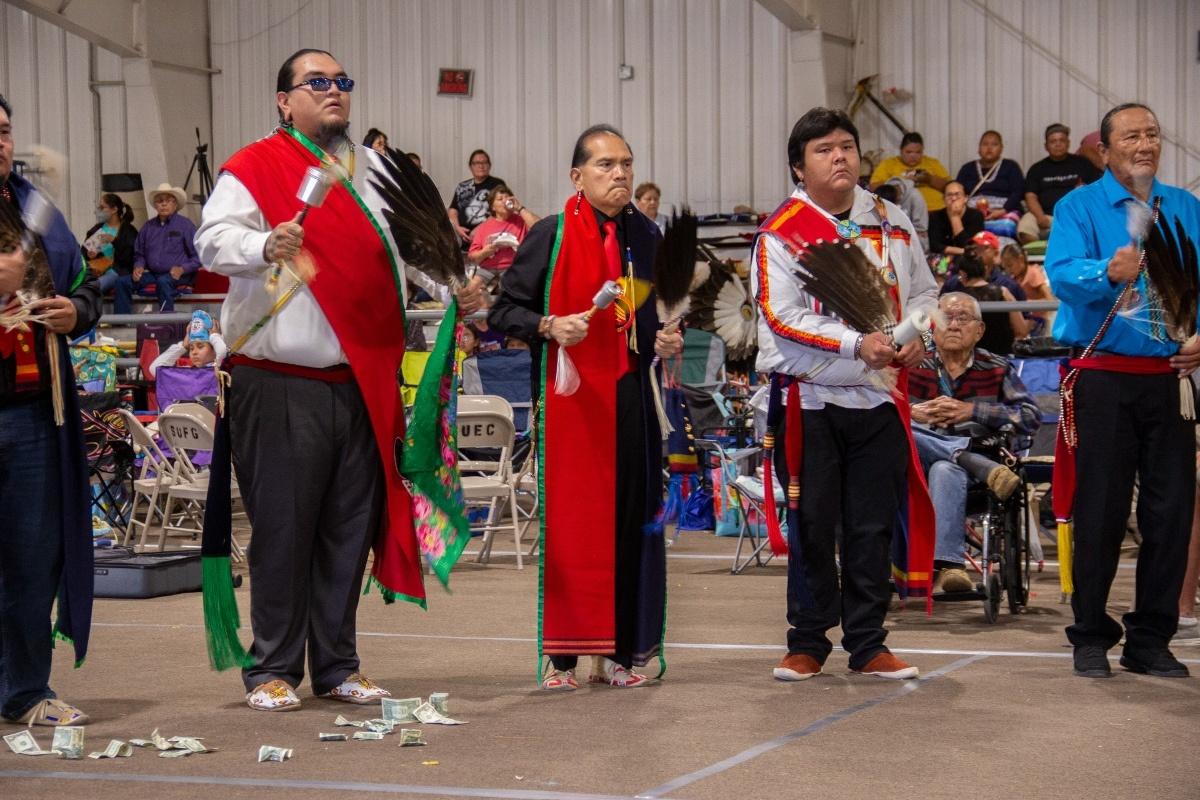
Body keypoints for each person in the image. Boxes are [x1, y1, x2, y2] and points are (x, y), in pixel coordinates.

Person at [195, 48, 483, 711]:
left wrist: (456, 287)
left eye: (341, 81)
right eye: (316, 82)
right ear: (283, 99)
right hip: (278, 377)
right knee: (284, 528)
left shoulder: (372, 169)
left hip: (361, 380)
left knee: (347, 528)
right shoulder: (253, 168)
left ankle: (337, 665)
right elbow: (211, 242)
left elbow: (415, 252)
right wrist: (263, 245)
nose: (334, 92)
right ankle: (271, 667)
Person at [489, 124, 682, 691]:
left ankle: (624, 653)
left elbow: (653, 318)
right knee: (575, 525)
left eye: (626, 163)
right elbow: (504, 313)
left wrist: (665, 339)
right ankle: (565, 659)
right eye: (605, 165)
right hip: (571, 399)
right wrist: (549, 324)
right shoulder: (549, 236)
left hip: (632, 398)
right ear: (577, 176)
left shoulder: (648, 237)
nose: (619, 173)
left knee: (631, 520)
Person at [753, 107, 938, 683]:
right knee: (813, 521)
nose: (841, 157)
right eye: (824, 149)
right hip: (810, 403)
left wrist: (917, 337)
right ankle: (806, 641)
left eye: (848, 146)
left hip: (879, 398)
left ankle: (867, 641)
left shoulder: (892, 221)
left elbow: (927, 292)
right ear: (798, 166)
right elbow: (781, 317)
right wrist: (859, 344)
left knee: (871, 523)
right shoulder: (781, 232)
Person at [1045, 102, 1200, 679]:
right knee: (1102, 509)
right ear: (1104, 152)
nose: (1146, 144)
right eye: (1131, 136)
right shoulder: (1078, 206)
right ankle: (1089, 634)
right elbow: (1059, 274)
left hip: (1171, 381)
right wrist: (1103, 273)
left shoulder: (1185, 208)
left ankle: (1151, 640)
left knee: (1170, 512)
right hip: (1104, 378)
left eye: (1153, 134)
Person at [0, 93, 101, 727]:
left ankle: (26, 691)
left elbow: (84, 283)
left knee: (32, 560)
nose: (0, 142)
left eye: (5, 130)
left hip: (37, 411)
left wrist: (77, 312)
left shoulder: (33, 208)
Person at [908, 292, 1040, 593]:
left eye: (963, 318)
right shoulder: (914, 366)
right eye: (946, 318)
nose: (953, 325)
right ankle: (964, 456)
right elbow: (882, 410)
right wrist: (914, 412)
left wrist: (973, 411)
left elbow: (1030, 416)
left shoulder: (996, 368)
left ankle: (950, 567)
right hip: (914, 466)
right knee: (897, 426)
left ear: (979, 330)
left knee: (945, 469)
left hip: (975, 475)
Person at [117, 183, 201, 312]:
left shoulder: (186, 225)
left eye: (168, 201)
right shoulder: (148, 227)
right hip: (154, 274)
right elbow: (140, 254)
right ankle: (121, 324)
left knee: (163, 281)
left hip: (178, 275)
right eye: (160, 201)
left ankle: (167, 324)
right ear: (155, 205)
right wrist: (138, 266)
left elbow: (198, 257)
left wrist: (182, 269)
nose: (163, 204)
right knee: (122, 282)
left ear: (175, 204)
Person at [1020, 124, 1101, 244]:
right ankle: (1044, 252)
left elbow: (1097, 189)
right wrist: (1040, 217)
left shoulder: (1083, 164)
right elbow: (1030, 196)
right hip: (1045, 217)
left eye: (1062, 140)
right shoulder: (1037, 169)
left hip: (1075, 216)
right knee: (1025, 228)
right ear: (1046, 146)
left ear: (1068, 143)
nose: (1058, 144)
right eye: (1053, 141)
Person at [954, 131, 1024, 239]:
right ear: (979, 149)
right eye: (985, 144)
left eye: (994, 144)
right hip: (972, 211)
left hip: (1004, 210)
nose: (989, 148)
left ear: (1001, 148)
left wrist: (1002, 211)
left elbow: (1018, 191)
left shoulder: (1011, 166)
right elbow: (957, 192)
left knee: (1006, 227)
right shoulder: (967, 168)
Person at [467, 184, 539, 281]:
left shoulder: (521, 220)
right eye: (500, 199)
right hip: (486, 270)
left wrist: (520, 208)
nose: (505, 201)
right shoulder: (484, 226)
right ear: (493, 207)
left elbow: (541, 227)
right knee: (471, 290)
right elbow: (472, 257)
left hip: (512, 268)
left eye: (507, 198)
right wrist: (484, 252)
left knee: (507, 288)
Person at [869, 131, 950, 213]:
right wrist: (902, 181)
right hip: (903, 211)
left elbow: (949, 187)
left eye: (918, 152)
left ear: (923, 151)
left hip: (937, 210)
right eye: (909, 152)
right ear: (901, 150)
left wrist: (929, 179)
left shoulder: (932, 163)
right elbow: (874, 188)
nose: (913, 156)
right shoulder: (889, 164)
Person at [81, 193, 138, 310]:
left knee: (94, 287)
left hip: (118, 271)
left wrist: (114, 241)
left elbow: (131, 256)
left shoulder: (128, 230)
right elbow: (83, 252)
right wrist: (89, 254)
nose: (98, 211)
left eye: (102, 208)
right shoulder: (97, 229)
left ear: (114, 209)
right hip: (97, 269)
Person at [943, 231, 1026, 301]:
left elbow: (1025, 317)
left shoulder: (1009, 285)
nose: (976, 251)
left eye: (983, 248)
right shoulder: (954, 283)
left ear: (996, 253)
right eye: (974, 247)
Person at [147, 309, 227, 377]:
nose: (194, 352)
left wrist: (214, 336)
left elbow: (222, 351)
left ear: (214, 348)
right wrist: (183, 346)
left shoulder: (220, 370)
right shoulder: (187, 372)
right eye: (191, 348)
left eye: (200, 346)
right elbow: (155, 369)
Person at [448, 149, 505, 242]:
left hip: (487, 234)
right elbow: (453, 210)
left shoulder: (497, 185)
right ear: (470, 166)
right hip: (460, 235)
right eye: (477, 163)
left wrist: (481, 229)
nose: (481, 166)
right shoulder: (462, 186)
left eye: (484, 162)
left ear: (489, 166)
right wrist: (457, 228)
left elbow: (501, 211)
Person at [1000, 244, 1053, 334]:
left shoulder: (1033, 273)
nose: (1008, 270)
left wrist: (1025, 303)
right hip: (1023, 321)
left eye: (1010, 265)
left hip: (1039, 324)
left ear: (1020, 259)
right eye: (1005, 268)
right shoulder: (1014, 278)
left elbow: (1050, 301)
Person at [927, 181, 983, 256]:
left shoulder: (976, 216)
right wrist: (963, 251)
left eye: (957, 195)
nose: (953, 198)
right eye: (949, 195)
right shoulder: (935, 216)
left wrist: (954, 217)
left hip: (968, 259)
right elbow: (935, 246)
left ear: (965, 198)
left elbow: (970, 245)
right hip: (942, 258)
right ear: (944, 199)